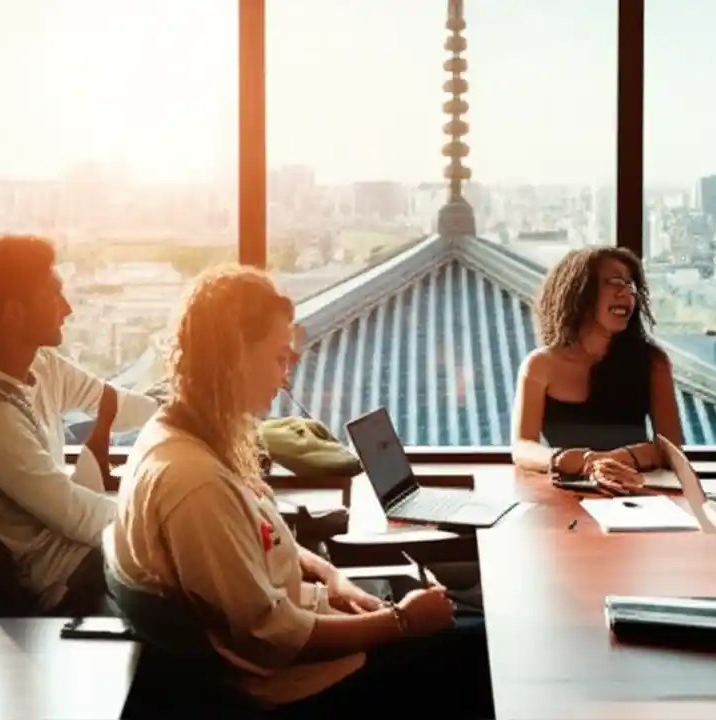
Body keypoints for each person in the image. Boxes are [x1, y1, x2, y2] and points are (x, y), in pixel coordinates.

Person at [105, 265, 493, 716]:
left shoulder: (187, 436)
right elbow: (274, 637)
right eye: (277, 358)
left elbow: (266, 542)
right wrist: (400, 622)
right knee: (488, 652)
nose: (286, 377)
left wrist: (333, 579)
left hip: (316, 631)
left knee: (473, 625)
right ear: (233, 357)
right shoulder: (195, 484)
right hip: (300, 683)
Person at [0, 235, 159, 614]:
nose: (67, 309)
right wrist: (161, 522)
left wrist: (187, 412)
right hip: (60, 580)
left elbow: (115, 406)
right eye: (53, 296)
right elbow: (76, 516)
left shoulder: (41, 365)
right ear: (14, 313)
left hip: (80, 550)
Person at [511, 247, 684, 494]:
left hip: (636, 491)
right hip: (566, 494)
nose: (626, 293)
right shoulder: (539, 365)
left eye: (631, 286)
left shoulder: (653, 362)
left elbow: (672, 448)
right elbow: (522, 448)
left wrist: (620, 459)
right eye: (614, 282)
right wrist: (580, 461)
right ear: (579, 292)